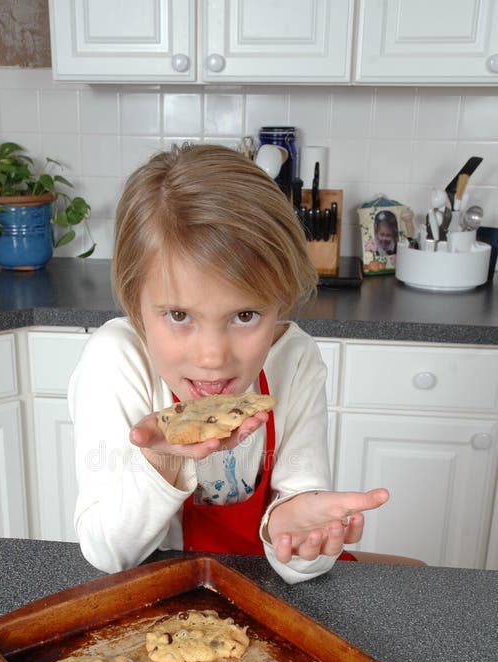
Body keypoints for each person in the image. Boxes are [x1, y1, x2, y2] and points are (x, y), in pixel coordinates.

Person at [68, 144, 388, 584]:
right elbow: (109, 554)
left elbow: (299, 547)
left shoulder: (293, 361)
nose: (213, 357)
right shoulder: (117, 360)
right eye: (179, 316)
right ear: (134, 302)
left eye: (245, 316)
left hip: (264, 599)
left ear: (281, 301)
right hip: (155, 604)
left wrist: (297, 540)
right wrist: (163, 462)